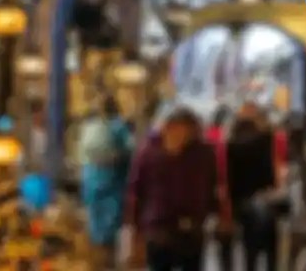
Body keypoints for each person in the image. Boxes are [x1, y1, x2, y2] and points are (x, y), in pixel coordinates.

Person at [127, 107, 218, 271]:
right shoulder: (148, 153)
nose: (180, 135)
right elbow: (136, 190)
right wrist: (135, 229)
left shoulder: (203, 154)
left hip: (192, 228)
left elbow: (211, 185)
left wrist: (211, 214)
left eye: (185, 129)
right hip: (158, 229)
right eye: (175, 128)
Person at [77, 96, 133, 269]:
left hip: (92, 185)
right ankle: (107, 264)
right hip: (112, 187)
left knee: (96, 231)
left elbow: (81, 155)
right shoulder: (119, 127)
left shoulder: (89, 127)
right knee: (110, 235)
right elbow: (130, 152)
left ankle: (97, 264)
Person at [227, 103, 278, 271]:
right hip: (262, 196)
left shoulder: (232, 141)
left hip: (241, 199)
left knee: (249, 246)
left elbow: (229, 174)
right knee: (270, 245)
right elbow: (268, 168)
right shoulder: (263, 138)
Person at [206, 107, 234, 271]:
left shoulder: (207, 138)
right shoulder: (223, 141)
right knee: (225, 241)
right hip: (223, 194)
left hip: (208, 194)